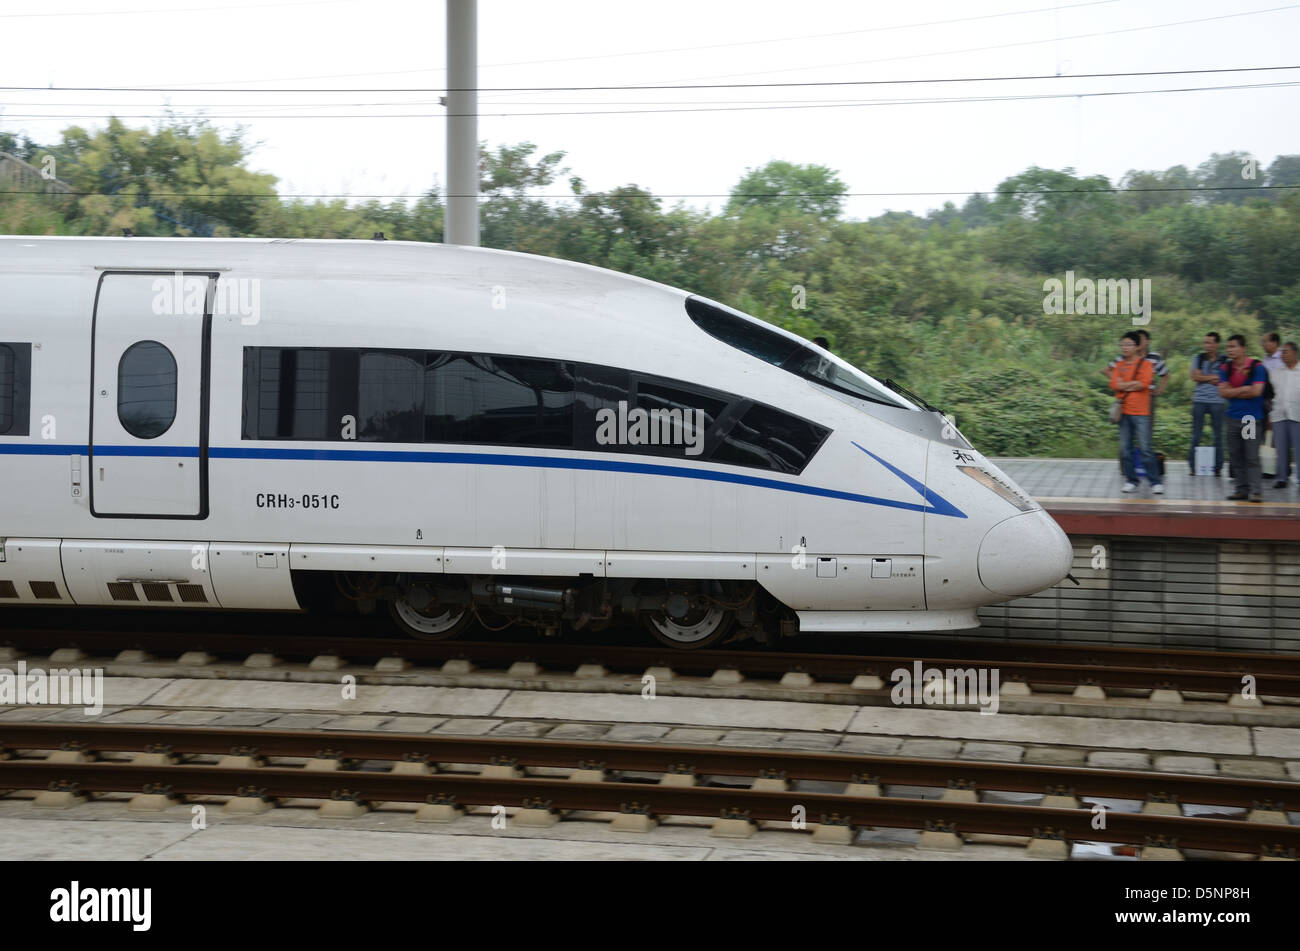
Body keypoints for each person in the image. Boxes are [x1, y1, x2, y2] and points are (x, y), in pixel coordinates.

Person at [1110, 331, 1162, 494]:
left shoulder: (1146, 364)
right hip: (1124, 412)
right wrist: (1132, 384)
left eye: (1129, 344)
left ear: (1137, 346)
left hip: (1141, 412)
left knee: (1146, 448)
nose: (1125, 347)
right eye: (1123, 344)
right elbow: (1114, 384)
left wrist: (1124, 384)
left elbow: (1144, 384)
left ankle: (1155, 482)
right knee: (1125, 449)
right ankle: (1132, 480)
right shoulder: (1119, 365)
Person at [1219, 334, 1268, 502]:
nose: (1230, 350)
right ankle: (1241, 489)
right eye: (1228, 347)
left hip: (1250, 418)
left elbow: (1256, 392)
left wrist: (1234, 391)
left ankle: (1256, 491)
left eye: (1233, 346)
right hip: (1232, 417)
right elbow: (1223, 392)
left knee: (1251, 456)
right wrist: (1244, 389)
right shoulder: (1225, 368)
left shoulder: (1256, 367)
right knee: (1235, 456)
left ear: (1243, 348)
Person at [1189, 331, 1227, 477]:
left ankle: (1218, 467)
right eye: (1205, 342)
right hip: (1199, 400)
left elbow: (1224, 378)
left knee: (1218, 435)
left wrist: (1203, 377)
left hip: (1217, 401)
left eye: (1210, 342)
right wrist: (1213, 378)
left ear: (1217, 344)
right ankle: (1193, 466)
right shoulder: (1198, 358)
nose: (1207, 345)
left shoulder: (1224, 360)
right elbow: (1194, 376)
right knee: (1195, 434)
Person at [1271, 341, 1300, 488]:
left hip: (1297, 415)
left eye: (1286, 352)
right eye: (1282, 352)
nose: (1283, 355)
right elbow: (1271, 394)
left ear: (1295, 353)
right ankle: (1281, 478)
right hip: (1279, 415)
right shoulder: (1276, 373)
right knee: (1281, 449)